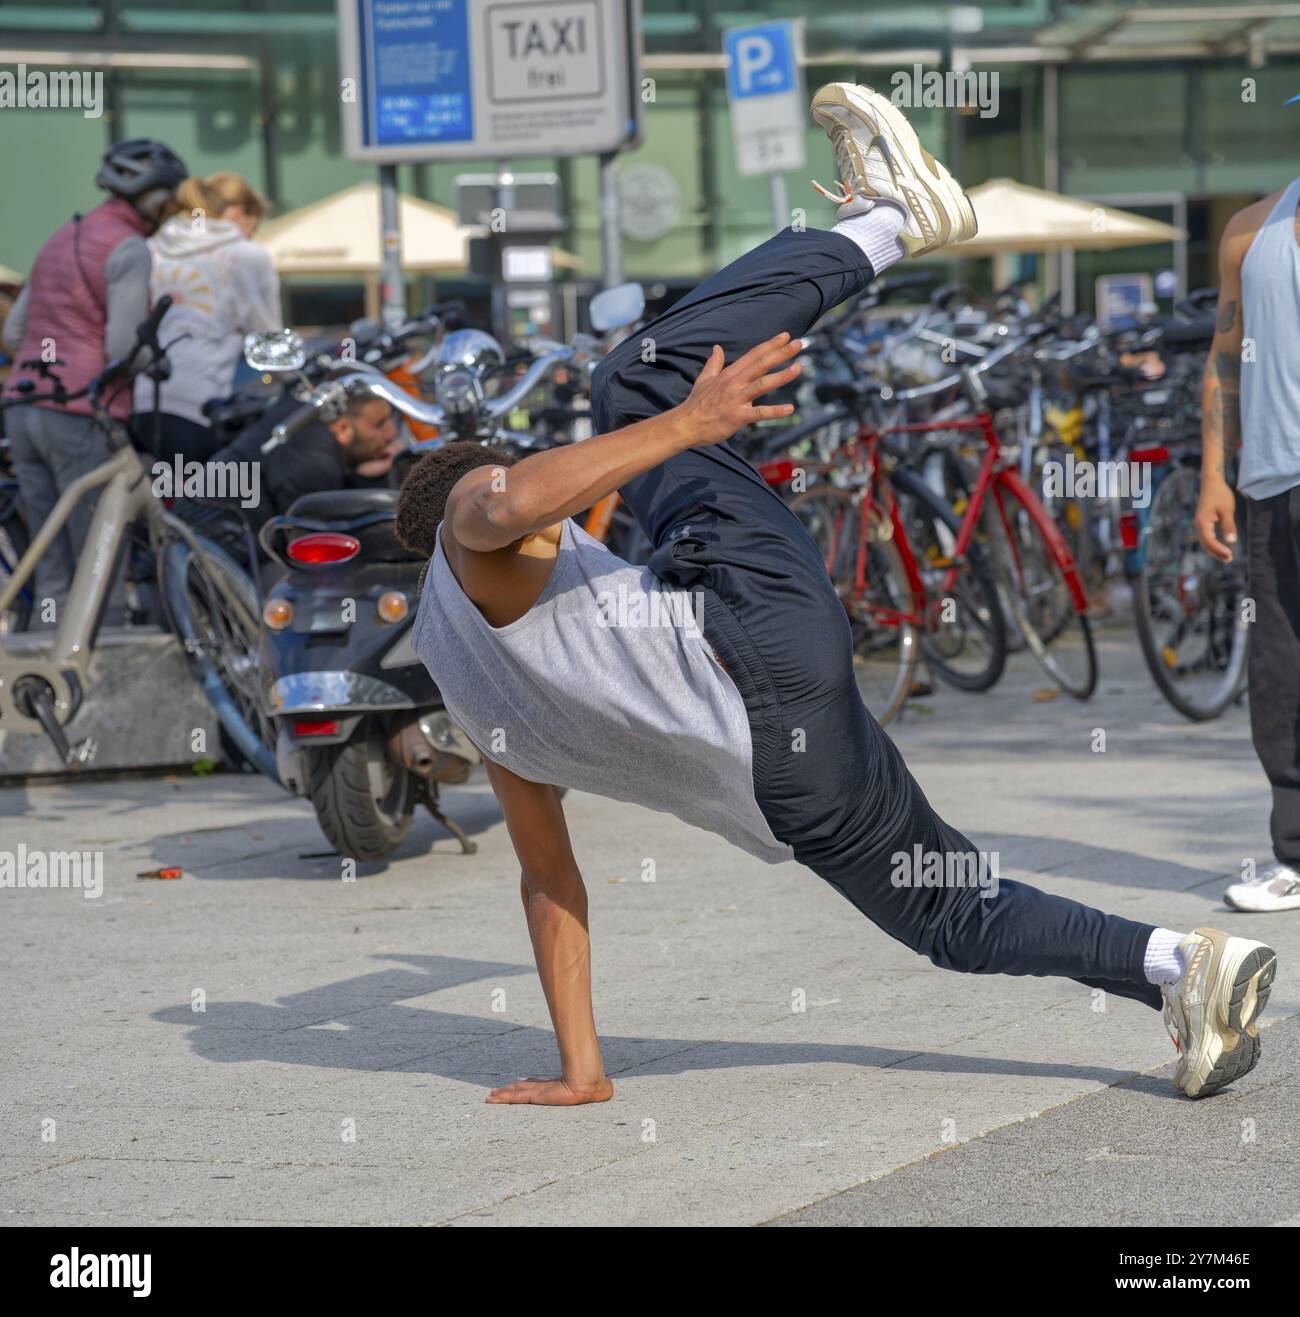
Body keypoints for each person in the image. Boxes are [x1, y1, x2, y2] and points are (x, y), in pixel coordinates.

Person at [397, 84, 1277, 1106]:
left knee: (955, 916)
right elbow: (500, 503)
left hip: (783, 774)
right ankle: (892, 217)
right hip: (753, 629)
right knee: (632, 380)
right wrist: (684, 427)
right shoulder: (462, 515)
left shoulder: (475, 697)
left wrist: (583, 1071)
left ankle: (1173, 965)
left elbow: (548, 881)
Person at [2, 138, 187, 621]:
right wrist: (157, 361)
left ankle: (41, 667)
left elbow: (15, 331)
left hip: (24, 407)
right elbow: (123, 349)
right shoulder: (128, 248)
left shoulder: (63, 236)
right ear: (153, 199)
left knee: (50, 555)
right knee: (99, 555)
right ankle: (110, 671)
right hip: (83, 412)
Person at [1196, 171, 1300, 915]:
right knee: (1279, 673)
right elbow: (1224, 353)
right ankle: (1295, 856)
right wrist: (1213, 474)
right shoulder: (1249, 230)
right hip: (1268, 479)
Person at [132, 173, 281, 465]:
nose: (252, 233)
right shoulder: (248, 257)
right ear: (240, 213)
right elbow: (269, 343)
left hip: (141, 404)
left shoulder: (150, 249)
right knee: (213, 502)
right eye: (255, 225)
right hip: (199, 408)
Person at [261, 392, 403, 513]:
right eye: (379, 424)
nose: (392, 432)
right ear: (342, 428)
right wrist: (366, 481)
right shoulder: (317, 470)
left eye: (390, 417)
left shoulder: (302, 411)